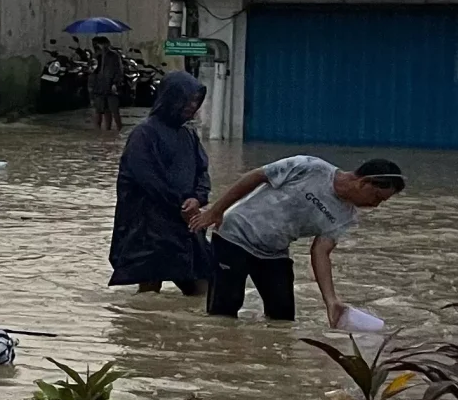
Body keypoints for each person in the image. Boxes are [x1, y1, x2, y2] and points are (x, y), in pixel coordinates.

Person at [191, 154, 406, 325]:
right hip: (234, 236)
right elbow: (256, 176)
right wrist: (216, 211)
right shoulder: (310, 167)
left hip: (274, 252)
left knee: (283, 319)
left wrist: (331, 301)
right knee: (224, 313)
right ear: (364, 183)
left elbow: (321, 252)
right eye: (377, 197)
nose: (375, 205)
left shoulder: (346, 217)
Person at [107, 71, 212, 296]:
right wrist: (180, 203)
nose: (192, 106)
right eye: (187, 100)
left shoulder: (189, 135)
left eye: (196, 101)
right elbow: (148, 180)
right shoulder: (144, 134)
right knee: (150, 287)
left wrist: (197, 198)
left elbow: (202, 172)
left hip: (185, 222)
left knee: (202, 286)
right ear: (170, 98)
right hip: (149, 226)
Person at [89, 37, 124, 131]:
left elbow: (119, 70)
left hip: (111, 86)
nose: (101, 46)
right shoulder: (96, 56)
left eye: (103, 44)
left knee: (114, 110)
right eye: (99, 45)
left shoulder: (114, 56)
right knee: (101, 110)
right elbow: (92, 72)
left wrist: (115, 83)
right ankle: (102, 132)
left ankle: (119, 130)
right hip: (99, 87)